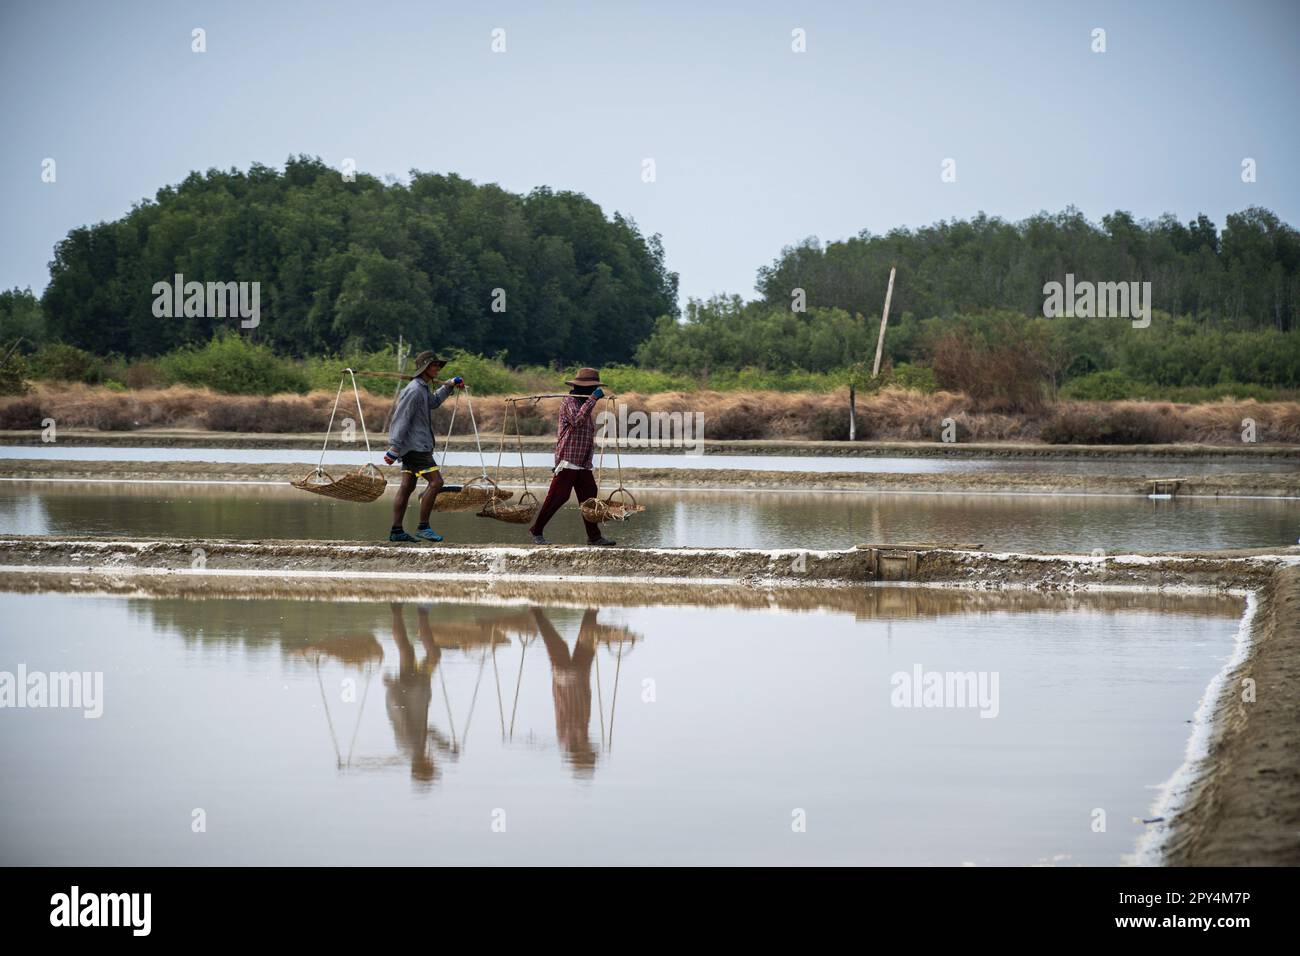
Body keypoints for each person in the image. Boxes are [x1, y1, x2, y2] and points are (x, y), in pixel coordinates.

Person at [528, 367, 616, 546]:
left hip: (583, 461)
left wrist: (590, 401)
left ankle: (594, 537)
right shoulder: (569, 402)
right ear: (582, 388)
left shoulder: (584, 403)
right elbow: (577, 421)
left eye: (594, 390)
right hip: (568, 459)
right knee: (558, 496)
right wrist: (593, 399)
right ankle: (536, 529)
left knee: (589, 498)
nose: (593, 391)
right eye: (591, 389)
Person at [382, 350, 464, 542]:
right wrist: (394, 448)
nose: (437, 368)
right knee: (437, 482)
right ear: (425, 368)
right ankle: (423, 527)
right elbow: (401, 418)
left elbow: (433, 403)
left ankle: (396, 531)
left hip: (413, 446)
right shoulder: (414, 390)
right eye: (434, 365)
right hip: (416, 447)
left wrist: (450, 385)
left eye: (438, 365)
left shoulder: (422, 388)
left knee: (407, 486)